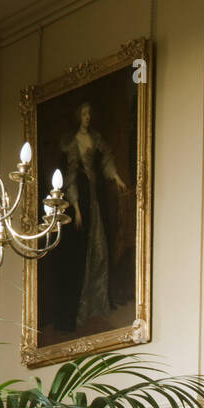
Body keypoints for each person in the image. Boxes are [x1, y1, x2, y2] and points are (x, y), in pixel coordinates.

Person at [58, 101, 128, 333]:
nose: (87, 117)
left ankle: (98, 303)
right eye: (84, 113)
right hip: (83, 197)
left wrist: (116, 178)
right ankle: (82, 307)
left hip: (96, 196)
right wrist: (76, 207)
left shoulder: (96, 138)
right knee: (84, 251)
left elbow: (107, 160)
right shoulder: (72, 143)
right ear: (79, 116)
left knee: (100, 247)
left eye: (90, 113)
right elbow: (70, 177)